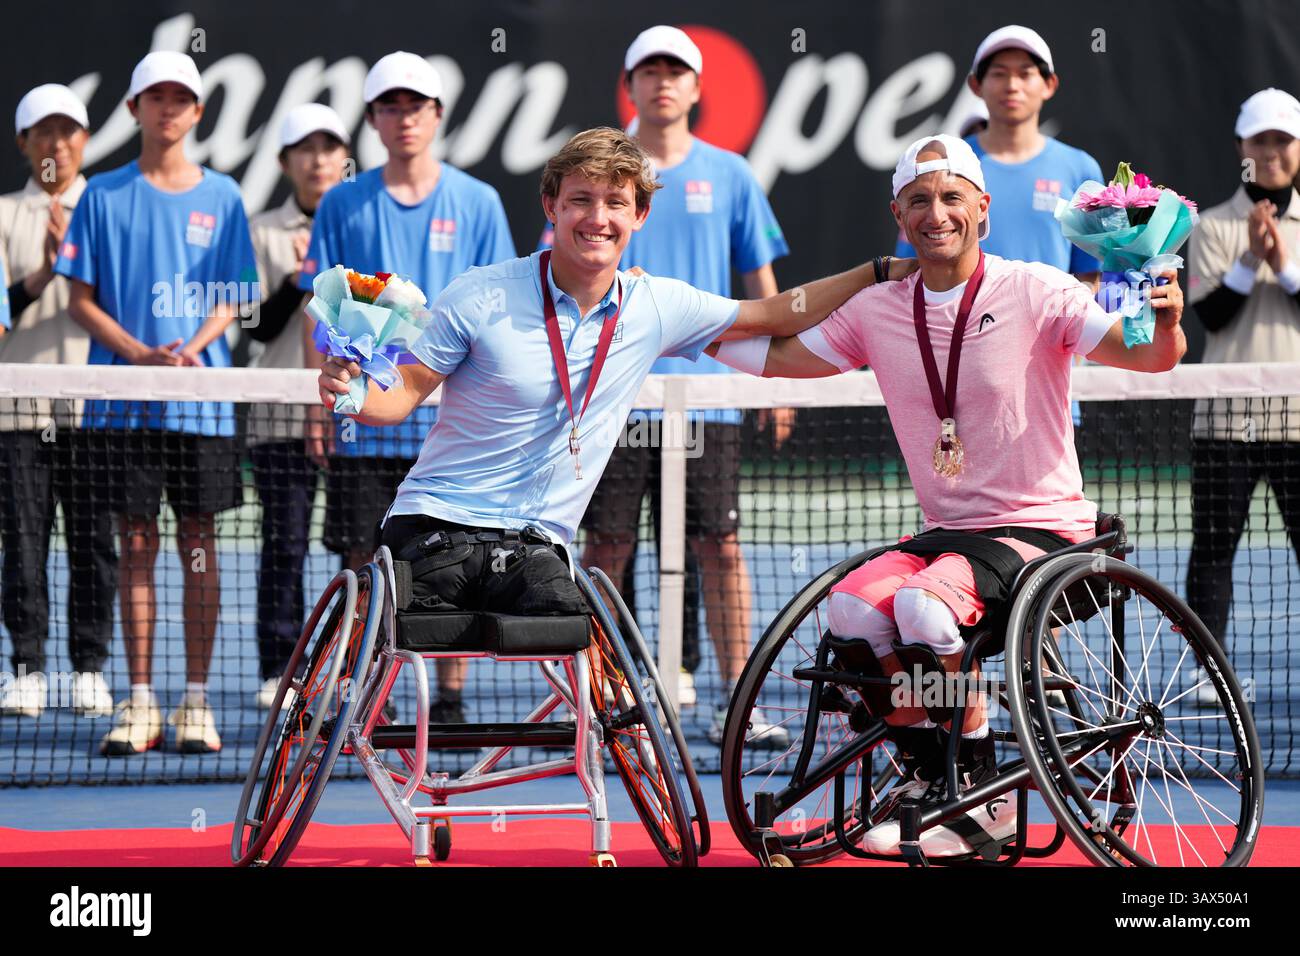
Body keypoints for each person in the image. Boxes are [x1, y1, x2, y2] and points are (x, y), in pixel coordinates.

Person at [315, 129, 913, 734]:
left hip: (533, 548)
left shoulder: (655, 305)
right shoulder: (479, 295)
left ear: (639, 214)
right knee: (402, 645)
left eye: (615, 202)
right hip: (433, 529)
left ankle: (614, 748)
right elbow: (408, 390)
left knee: (602, 661)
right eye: (579, 200)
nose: (596, 218)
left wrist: (879, 270)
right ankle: (345, 706)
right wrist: (354, 393)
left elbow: (777, 313)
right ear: (550, 207)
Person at [711, 134, 1185, 858]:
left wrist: (1167, 319)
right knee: (851, 611)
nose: (938, 214)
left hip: (1045, 531)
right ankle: (932, 769)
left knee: (921, 607)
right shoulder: (877, 309)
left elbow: (1146, 354)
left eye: (952, 197)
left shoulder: (1036, 289)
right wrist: (681, 328)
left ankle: (981, 787)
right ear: (897, 217)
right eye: (920, 201)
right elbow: (775, 359)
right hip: (949, 535)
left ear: (982, 210)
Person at [572, 26, 790, 740]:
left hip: (707, 399)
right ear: (629, 85)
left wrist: (780, 376)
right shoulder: (603, 176)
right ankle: (607, 700)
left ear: (697, 88)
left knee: (718, 547)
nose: (663, 81)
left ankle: (741, 701)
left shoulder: (730, 174)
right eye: (649, 70)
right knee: (604, 548)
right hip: (612, 397)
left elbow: (760, 283)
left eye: (677, 71)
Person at [299, 52, 516, 724]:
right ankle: (369, 688)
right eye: (390, 107)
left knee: (452, 560)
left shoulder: (478, 202)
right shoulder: (342, 201)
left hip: (456, 423)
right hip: (367, 418)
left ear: (437, 116)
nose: (404, 118)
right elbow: (322, 304)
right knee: (366, 560)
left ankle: (445, 697)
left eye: (415, 106)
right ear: (373, 119)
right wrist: (325, 397)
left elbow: (503, 308)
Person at [55, 52, 258, 755]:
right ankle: (140, 701)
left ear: (198, 112)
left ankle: (195, 702)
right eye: (155, 97)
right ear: (136, 108)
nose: (168, 108)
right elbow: (79, 300)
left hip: (200, 403)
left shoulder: (225, 197)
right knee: (136, 548)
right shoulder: (102, 196)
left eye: (181, 98)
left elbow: (237, 296)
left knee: (198, 546)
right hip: (122, 402)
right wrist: (139, 354)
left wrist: (194, 344)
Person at [0, 85, 117, 720]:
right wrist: (46, 271)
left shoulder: (108, 212)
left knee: (95, 543)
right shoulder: (0, 215)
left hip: (95, 409)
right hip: (18, 411)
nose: (57, 144)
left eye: (68, 131)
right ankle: (25, 666)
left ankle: (91, 668)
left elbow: (121, 305)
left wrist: (81, 252)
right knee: (23, 542)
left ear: (85, 140)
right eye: (43, 132)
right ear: (25, 144)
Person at [1185, 87, 1300, 705]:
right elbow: (1215, 317)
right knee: (1213, 550)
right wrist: (1249, 260)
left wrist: (1281, 263)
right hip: (1226, 420)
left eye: (1282, 141)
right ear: (1241, 150)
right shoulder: (1210, 226)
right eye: (1261, 141)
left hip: (1298, 421)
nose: (1272, 152)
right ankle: (1210, 672)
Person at [246, 103, 350, 710]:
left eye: (329, 148)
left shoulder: (360, 223)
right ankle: (278, 669)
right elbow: (253, 327)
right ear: (286, 162)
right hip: (281, 411)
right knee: (283, 540)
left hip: (356, 413)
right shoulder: (259, 232)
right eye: (305, 150)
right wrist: (299, 277)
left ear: (344, 159)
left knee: (356, 545)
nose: (318, 161)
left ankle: (348, 666)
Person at [896, 25, 1102, 287]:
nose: (1012, 85)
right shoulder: (941, 163)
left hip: (1052, 326)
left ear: (1049, 84)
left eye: (1025, 74)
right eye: (999, 74)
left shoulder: (1080, 168)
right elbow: (909, 265)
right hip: (956, 326)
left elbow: (1089, 275)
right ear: (976, 85)